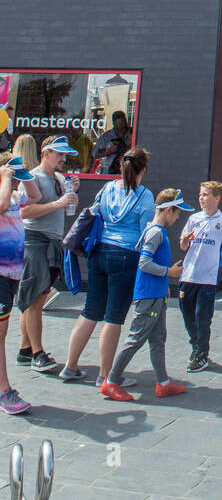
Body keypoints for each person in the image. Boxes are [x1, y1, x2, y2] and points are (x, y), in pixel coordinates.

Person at [61, 147, 156, 386]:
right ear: (143, 169)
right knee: (114, 317)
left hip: (99, 252)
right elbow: (147, 231)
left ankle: (70, 366)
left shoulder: (108, 188)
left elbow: (94, 213)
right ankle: (105, 376)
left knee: (90, 310)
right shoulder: (144, 195)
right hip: (126, 256)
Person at [100, 189, 193, 402]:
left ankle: (163, 383)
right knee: (136, 338)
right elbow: (144, 263)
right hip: (149, 297)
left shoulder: (154, 230)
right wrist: (169, 273)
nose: (178, 217)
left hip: (155, 295)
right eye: (177, 213)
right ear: (168, 210)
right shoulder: (156, 233)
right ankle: (111, 382)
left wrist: (163, 283)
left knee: (158, 339)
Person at [18, 136, 79, 373]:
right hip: (35, 241)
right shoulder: (32, 177)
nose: (63, 159)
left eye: (65, 155)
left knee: (38, 298)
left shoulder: (59, 178)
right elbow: (25, 211)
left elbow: (66, 202)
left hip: (52, 241)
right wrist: (58, 204)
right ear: (46, 153)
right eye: (59, 155)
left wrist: (73, 189)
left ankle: (25, 349)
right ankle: (37, 354)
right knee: (34, 300)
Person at [178, 180, 222, 371]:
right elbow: (183, 245)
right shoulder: (194, 219)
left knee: (202, 316)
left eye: (205, 195)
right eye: (200, 195)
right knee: (187, 314)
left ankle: (201, 354)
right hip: (189, 275)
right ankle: (196, 344)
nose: (201, 198)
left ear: (217, 198)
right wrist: (185, 241)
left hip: (208, 278)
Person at [0, 152, 42, 414]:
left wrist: (24, 175)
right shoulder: (4, 196)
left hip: (12, 275)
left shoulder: (15, 196)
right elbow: (2, 206)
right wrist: (5, 175)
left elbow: (36, 196)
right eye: (12, 179)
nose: (15, 184)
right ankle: (4, 390)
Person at [92, 112, 131, 177]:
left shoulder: (132, 133)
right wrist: (109, 151)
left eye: (124, 123)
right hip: (111, 171)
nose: (123, 126)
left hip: (129, 170)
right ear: (114, 124)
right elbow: (94, 154)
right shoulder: (106, 137)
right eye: (120, 123)